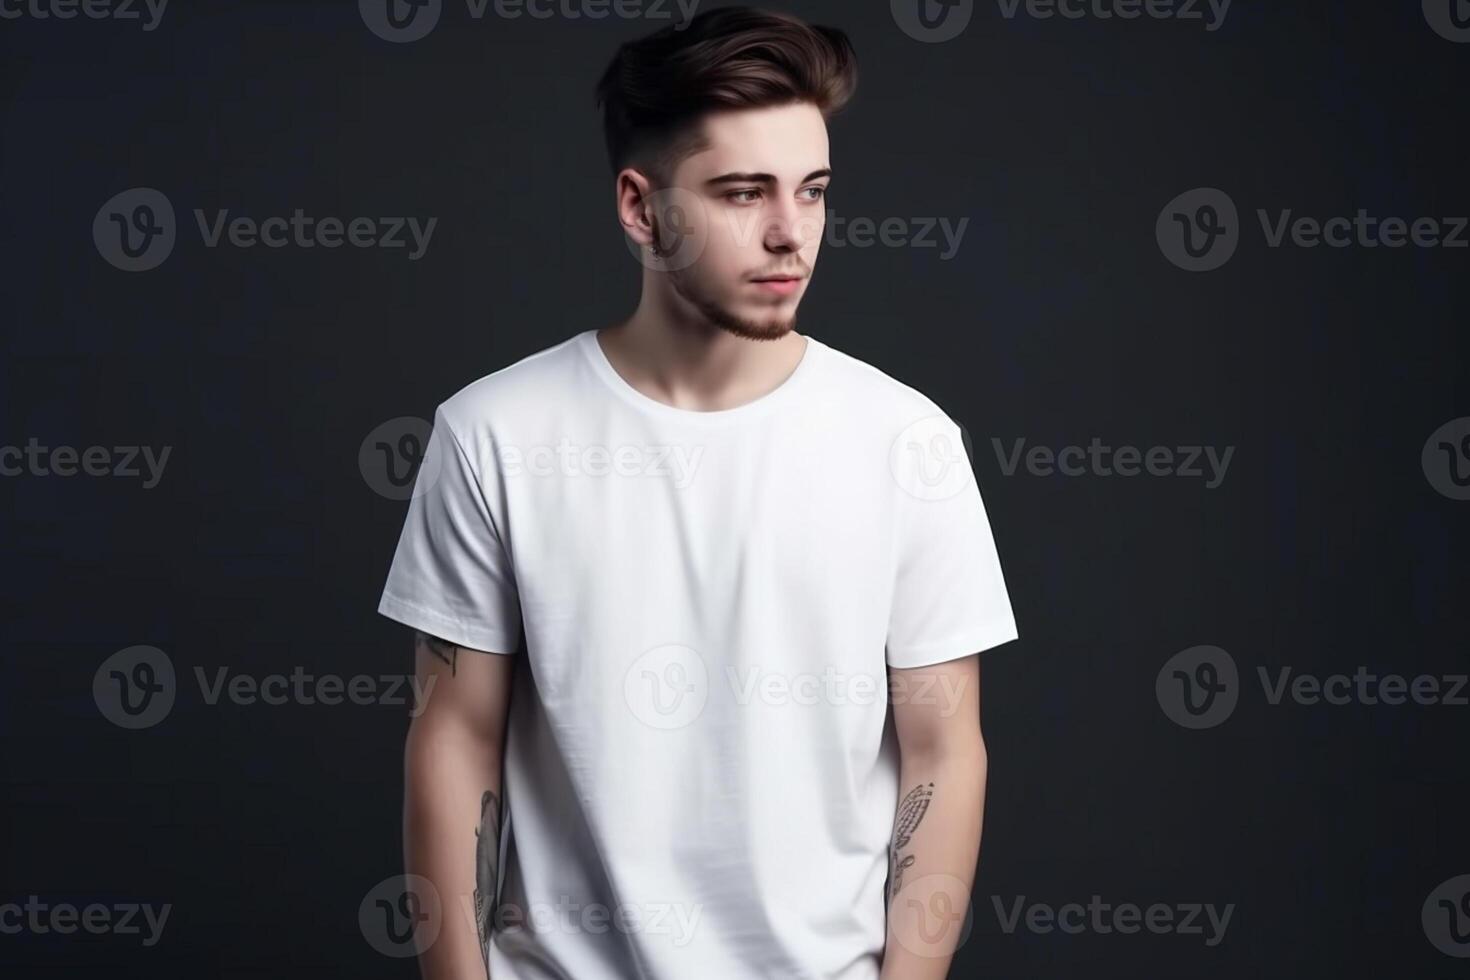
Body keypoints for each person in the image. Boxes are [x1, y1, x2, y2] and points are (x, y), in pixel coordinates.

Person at [378, 7, 1018, 977]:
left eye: (812, 191)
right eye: (741, 192)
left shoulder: (906, 441)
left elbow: (944, 749)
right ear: (641, 208)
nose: (788, 233)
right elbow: (455, 735)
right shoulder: (494, 433)